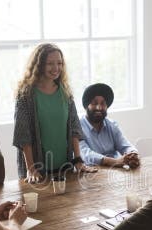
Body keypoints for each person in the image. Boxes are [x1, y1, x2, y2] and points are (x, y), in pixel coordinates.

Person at [12, 43, 96, 183]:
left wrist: (78, 161)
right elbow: (23, 135)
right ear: (39, 65)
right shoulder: (26, 95)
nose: (56, 68)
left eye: (59, 63)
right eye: (50, 63)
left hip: (65, 167)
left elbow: (74, 129)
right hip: (38, 170)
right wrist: (31, 168)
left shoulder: (65, 91)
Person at [79, 83, 140, 168]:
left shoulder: (112, 124)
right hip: (90, 174)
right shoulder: (78, 127)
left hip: (115, 173)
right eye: (94, 103)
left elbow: (125, 145)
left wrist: (133, 154)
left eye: (103, 103)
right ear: (86, 106)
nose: (99, 107)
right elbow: (85, 155)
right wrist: (115, 161)